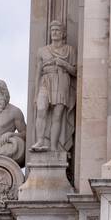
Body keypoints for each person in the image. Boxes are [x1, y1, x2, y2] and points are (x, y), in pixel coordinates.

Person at [31, 20, 76, 151]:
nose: (54, 33)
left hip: (62, 80)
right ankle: (40, 140)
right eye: (52, 30)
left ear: (63, 33)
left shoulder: (69, 50)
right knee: (41, 110)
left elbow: (74, 71)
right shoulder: (42, 51)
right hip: (45, 81)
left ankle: (54, 146)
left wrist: (62, 63)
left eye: (57, 30)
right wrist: (35, 95)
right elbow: (37, 74)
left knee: (57, 115)